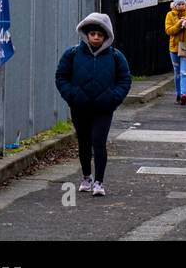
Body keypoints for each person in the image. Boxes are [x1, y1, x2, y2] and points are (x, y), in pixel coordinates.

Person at [55, 12, 132, 197]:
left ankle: (99, 181)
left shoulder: (115, 56)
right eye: (93, 34)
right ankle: (86, 177)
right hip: (80, 107)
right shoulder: (72, 54)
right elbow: (61, 76)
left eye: (100, 34)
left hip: (103, 109)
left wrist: (113, 98)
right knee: (83, 142)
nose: (96, 37)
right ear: (86, 34)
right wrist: (72, 96)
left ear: (106, 36)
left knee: (99, 143)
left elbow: (125, 79)